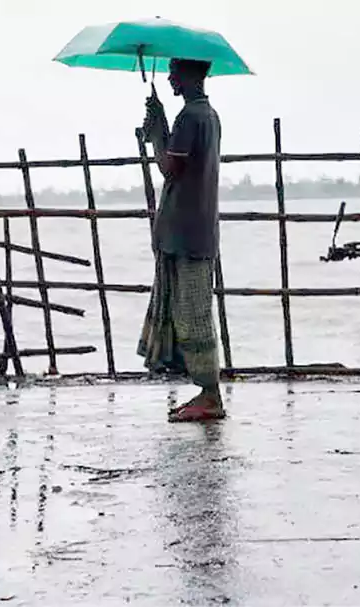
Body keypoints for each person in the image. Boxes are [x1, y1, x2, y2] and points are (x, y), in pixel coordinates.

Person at [137, 58, 225, 422]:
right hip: (190, 229)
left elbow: (168, 167)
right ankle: (205, 391)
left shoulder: (190, 117)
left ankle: (210, 395)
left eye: (174, 71)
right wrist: (160, 122)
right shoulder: (207, 115)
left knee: (193, 316)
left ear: (190, 74)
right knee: (186, 312)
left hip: (187, 231)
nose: (170, 76)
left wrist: (158, 130)